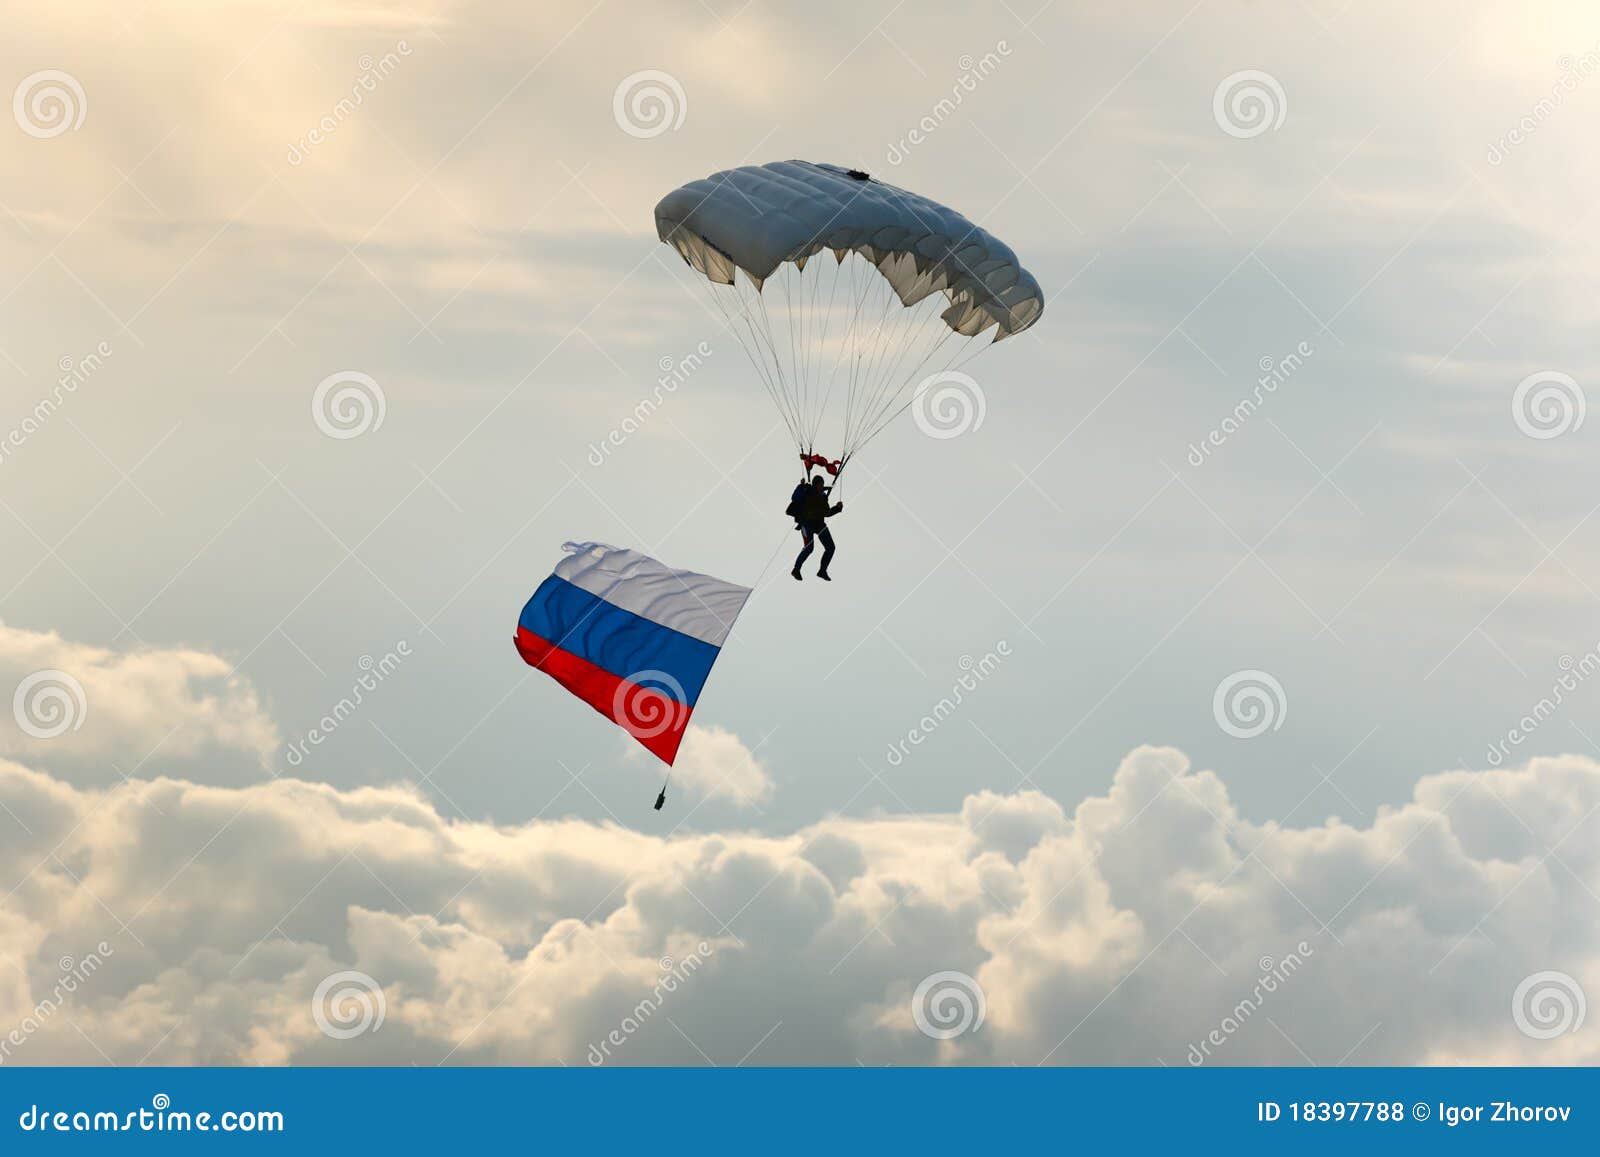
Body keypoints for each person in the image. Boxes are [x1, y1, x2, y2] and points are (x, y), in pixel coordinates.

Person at [788, 474, 842, 581]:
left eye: (822, 484)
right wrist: (801, 486)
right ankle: (796, 569)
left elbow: (826, 513)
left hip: (818, 524)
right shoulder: (807, 491)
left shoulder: (823, 497)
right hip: (806, 523)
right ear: (816, 484)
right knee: (809, 548)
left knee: (831, 547)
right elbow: (794, 498)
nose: (822, 486)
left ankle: (822, 571)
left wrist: (837, 508)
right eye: (821, 484)